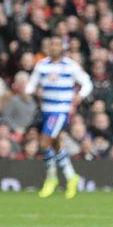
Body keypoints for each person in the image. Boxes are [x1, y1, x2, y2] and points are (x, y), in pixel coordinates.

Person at [26, 37, 92, 199]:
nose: (54, 47)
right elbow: (31, 84)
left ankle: (51, 178)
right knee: (55, 145)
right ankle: (71, 177)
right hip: (46, 110)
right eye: (52, 45)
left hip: (61, 111)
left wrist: (80, 95)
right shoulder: (41, 65)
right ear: (48, 47)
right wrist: (31, 92)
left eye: (57, 45)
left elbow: (87, 82)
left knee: (44, 143)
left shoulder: (70, 65)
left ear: (62, 48)